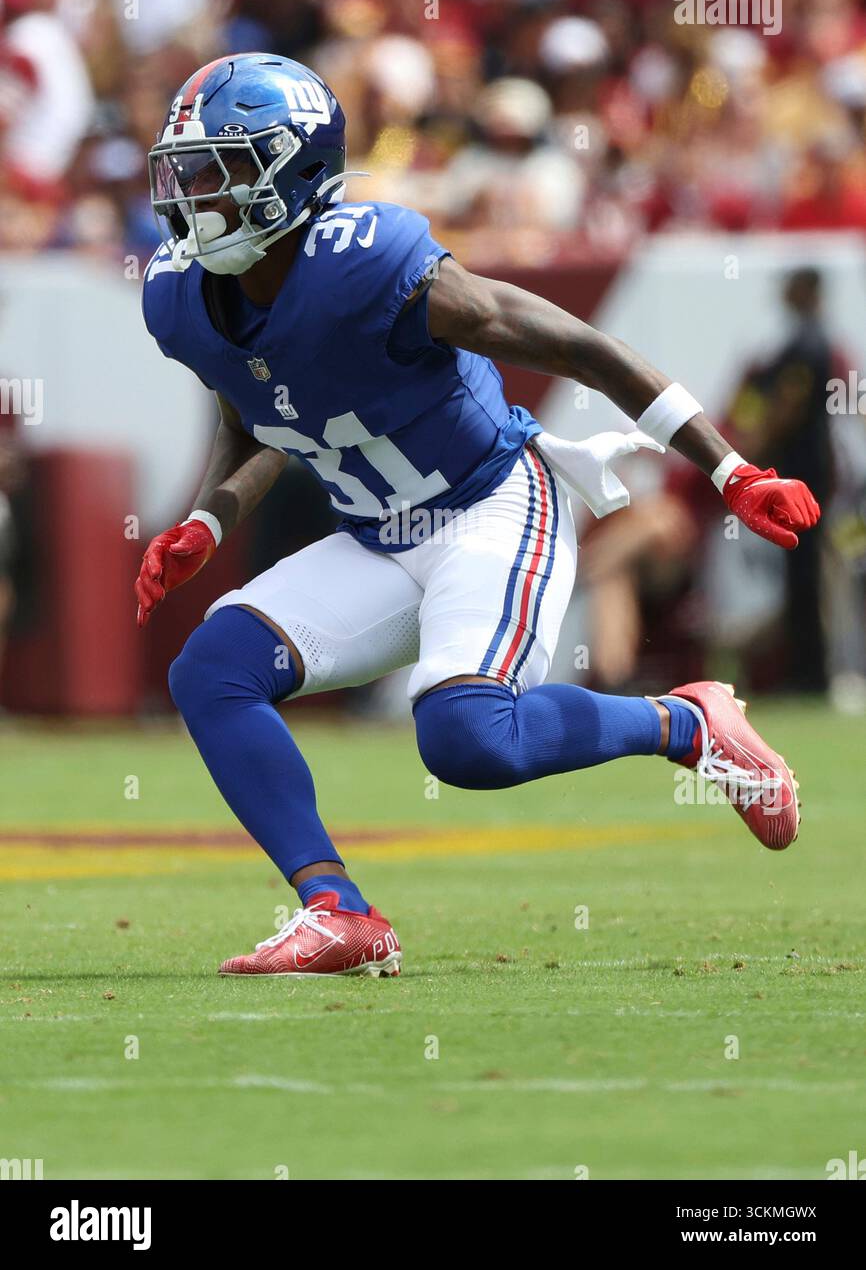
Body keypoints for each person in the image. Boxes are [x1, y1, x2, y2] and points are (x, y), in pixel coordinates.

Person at [136, 54, 820, 977]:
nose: (192, 195)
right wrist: (211, 520)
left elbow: (587, 351)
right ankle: (339, 911)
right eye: (185, 170)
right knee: (211, 671)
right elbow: (258, 415)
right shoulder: (183, 295)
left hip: (491, 505)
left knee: (465, 741)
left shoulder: (372, 265)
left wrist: (732, 470)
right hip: (378, 535)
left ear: (289, 171)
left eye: (217, 170)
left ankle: (686, 724)